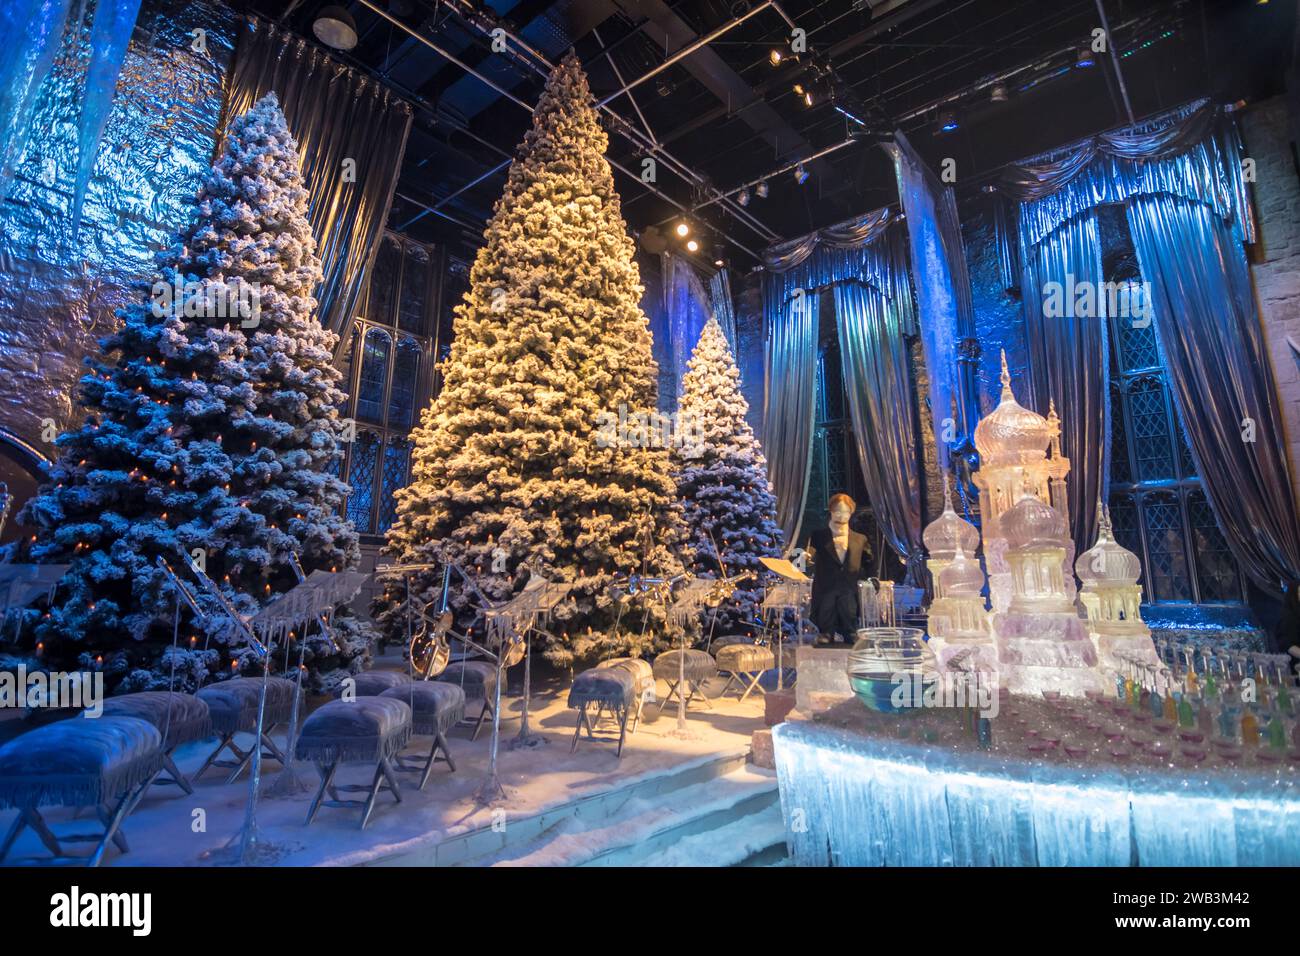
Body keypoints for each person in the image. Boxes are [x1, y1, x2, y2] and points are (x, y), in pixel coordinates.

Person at [807, 493, 870, 644]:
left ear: (851, 512)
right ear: (831, 511)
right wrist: (801, 560)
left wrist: (871, 578)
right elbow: (806, 555)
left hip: (849, 585)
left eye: (846, 511)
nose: (842, 516)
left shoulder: (860, 539)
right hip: (826, 584)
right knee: (826, 608)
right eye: (837, 511)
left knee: (849, 609)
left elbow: (869, 561)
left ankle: (850, 632)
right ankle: (826, 632)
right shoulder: (818, 536)